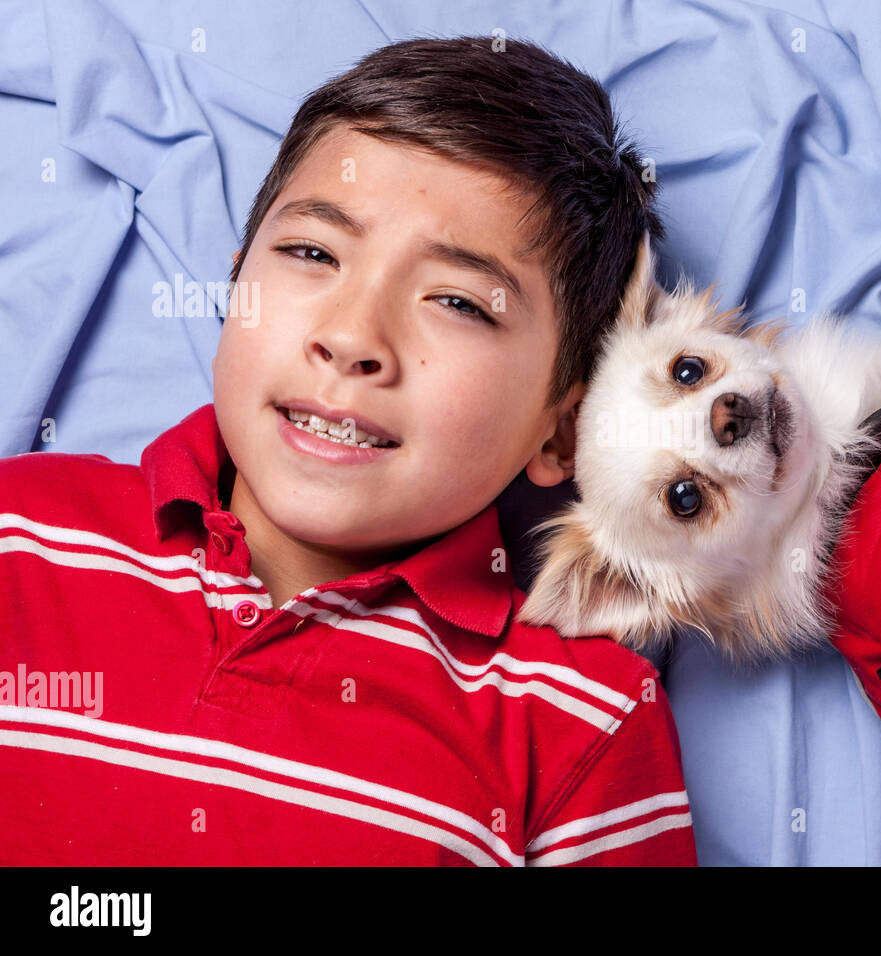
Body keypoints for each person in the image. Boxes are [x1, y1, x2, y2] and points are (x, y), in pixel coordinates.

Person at [0, 36, 696, 866]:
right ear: (233, 292)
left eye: (459, 303)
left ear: (563, 431)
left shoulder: (584, 718)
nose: (351, 338)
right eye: (311, 254)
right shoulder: (20, 530)